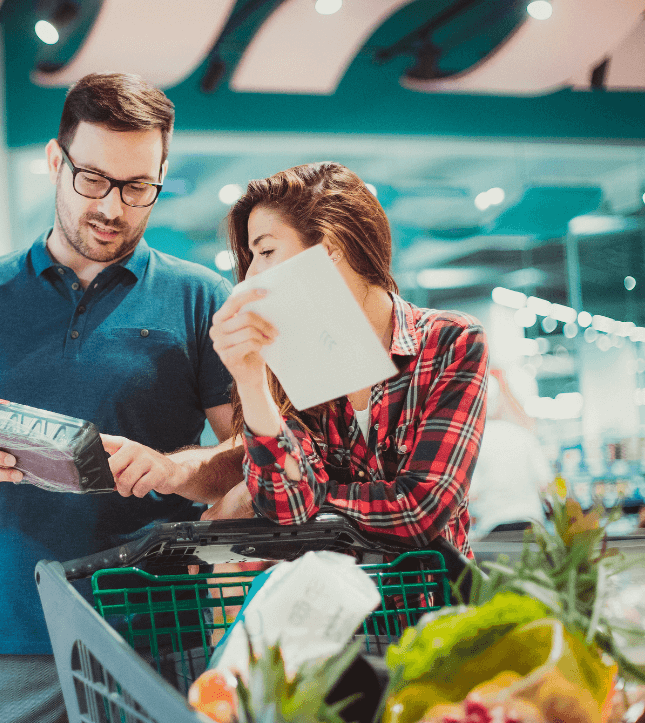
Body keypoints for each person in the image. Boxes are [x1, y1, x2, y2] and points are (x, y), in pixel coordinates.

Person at [0, 72, 243, 723]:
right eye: (93, 179)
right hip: (9, 640)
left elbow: (254, 456)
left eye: (138, 187)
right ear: (55, 160)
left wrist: (177, 470)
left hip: (156, 640)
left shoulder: (202, 298)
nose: (112, 207)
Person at [208, 162, 488, 556]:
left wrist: (303, 500)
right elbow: (287, 506)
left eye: (266, 251)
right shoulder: (285, 367)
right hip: (332, 594)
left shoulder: (449, 341)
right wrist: (251, 383)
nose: (251, 275)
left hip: (432, 593)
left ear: (330, 247)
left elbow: (419, 511)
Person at [467, 370, 554, 538]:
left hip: (494, 526)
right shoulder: (525, 436)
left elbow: (472, 493)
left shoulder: (474, 443)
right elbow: (545, 484)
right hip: (531, 523)